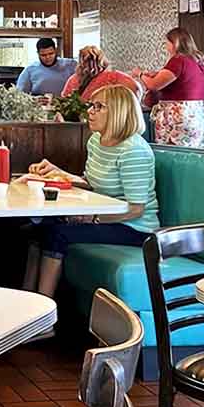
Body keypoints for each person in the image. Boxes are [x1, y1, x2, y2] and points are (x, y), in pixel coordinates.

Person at [23, 85, 159, 318]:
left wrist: (93, 218)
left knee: (58, 234)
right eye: (91, 106)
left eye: (99, 107)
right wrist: (58, 172)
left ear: (118, 112)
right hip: (108, 220)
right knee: (38, 227)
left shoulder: (134, 151)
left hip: (136, 229)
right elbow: (92, 182)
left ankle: (42, 320)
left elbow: (136, 209)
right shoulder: (96, 141)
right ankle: (26, 306)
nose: (91, 112)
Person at [131, 27, 204, 148]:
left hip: (178, 118)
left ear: (174, 43)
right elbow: (182, 80)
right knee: (194, 159)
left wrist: (139, 74)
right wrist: (157, 73)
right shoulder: (199, 62)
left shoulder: (178, 60)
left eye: (167, 42)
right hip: (198, 115)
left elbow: (153, 85)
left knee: (174, 158)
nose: (165, 46)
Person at [61, 45, 140, 101]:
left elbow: (135, 89)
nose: (90, 66)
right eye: (86, 61)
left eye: (91, 61)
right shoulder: (74, 80)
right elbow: (65, 101)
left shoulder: (113, 77)